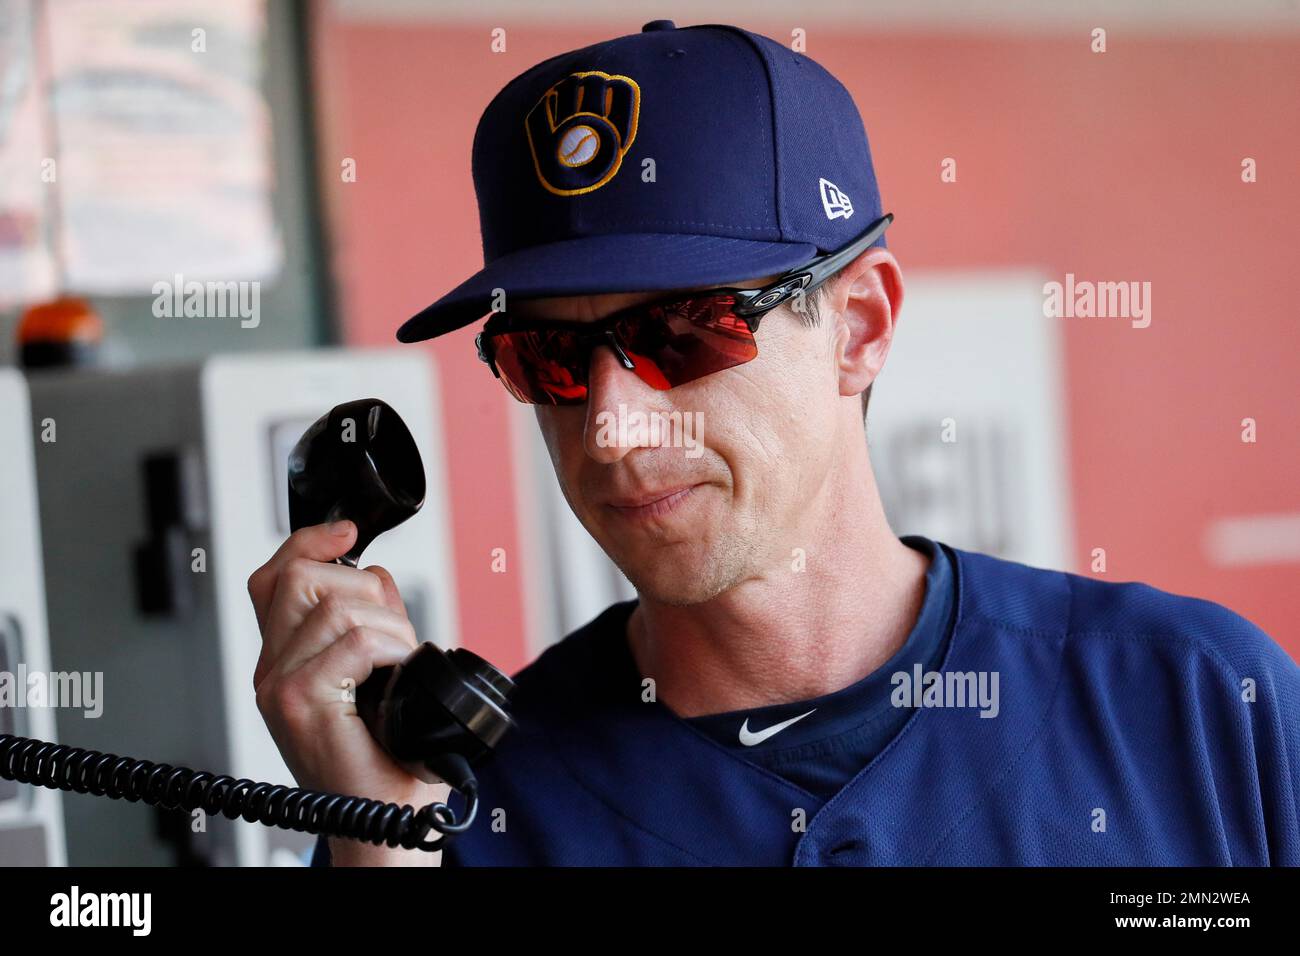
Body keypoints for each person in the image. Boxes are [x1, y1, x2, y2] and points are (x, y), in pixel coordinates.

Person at [247, 21, 1299, 866]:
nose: (611, 428)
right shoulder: (465, 806)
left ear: (860, 324)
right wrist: (378, 847)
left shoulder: (1196, 703)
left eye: (680, 334)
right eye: (549, 360)